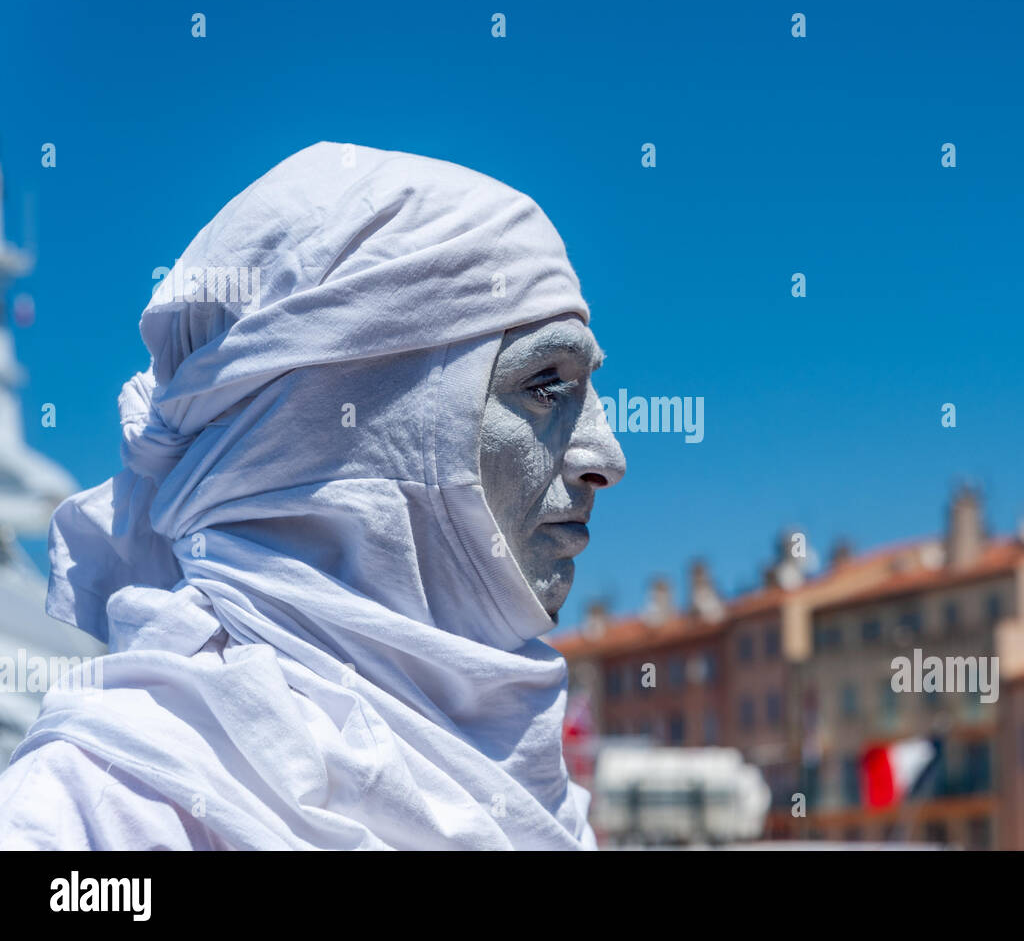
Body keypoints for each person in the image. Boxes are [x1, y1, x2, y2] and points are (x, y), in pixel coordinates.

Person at [0, 142, 625, 849]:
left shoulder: (549, 804)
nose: (607, 458)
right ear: (358, 429)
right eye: (545, 386)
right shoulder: (89, 818)